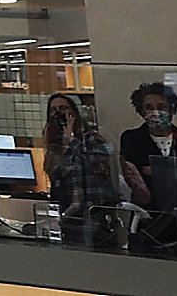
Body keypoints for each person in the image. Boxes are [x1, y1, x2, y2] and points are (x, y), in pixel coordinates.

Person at [118, 81, 177, 247]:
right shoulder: (131, 138)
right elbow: (136, 178)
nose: (155, 112)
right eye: (149, 107)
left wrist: (155, 171)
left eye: (161, 106)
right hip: (148, 217)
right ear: (141, 111)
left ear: (172, 109)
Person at [42, 93, 120, 247]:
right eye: (53, 110)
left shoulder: (91, 139)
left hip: (91, 216)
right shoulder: (55, 147)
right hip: (67, 215)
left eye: (63, 108)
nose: (58, 113)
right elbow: (57, 176)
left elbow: (98, 172)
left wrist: (71, 141)